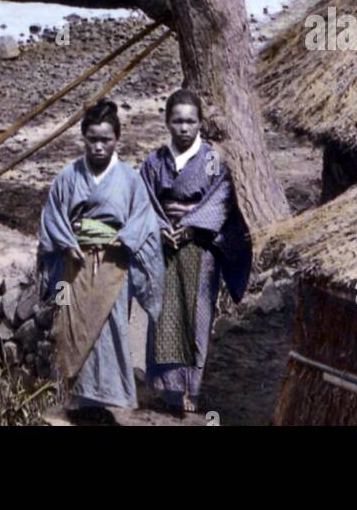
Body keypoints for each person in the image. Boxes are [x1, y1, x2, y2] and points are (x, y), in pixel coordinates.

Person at [38, 99, 164, 419]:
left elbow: (144, 219)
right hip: (77, 263)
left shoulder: (129, 179)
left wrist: (126, 239)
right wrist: (66, 243)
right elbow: (52, 215)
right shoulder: (68, 176)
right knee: (72, 327)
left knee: (110, 330)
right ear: (83, 137)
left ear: (117, 139)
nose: (98, 146)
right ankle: (79, 401)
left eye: (105, 139)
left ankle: (104, 401)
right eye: (92, 138)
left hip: (113, 266)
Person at [140, 89, 252, 415]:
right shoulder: (154, 161)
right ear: (167, 122)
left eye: (190, 121)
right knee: (163, 315)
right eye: (177, 121)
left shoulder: (214, 160)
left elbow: (223, 198)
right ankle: (165, 389)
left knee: (197, 316)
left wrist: (191, 226)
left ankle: (192, 389)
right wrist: (161, 228)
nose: (184, 128)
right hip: (164, 244)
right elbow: (143, 199)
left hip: (201, 246)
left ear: (200, 123)